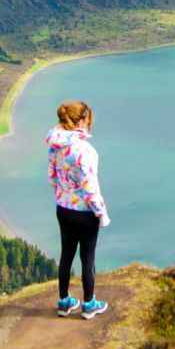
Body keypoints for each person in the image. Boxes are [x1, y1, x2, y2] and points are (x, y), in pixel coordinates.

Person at [46, 99, 109, 319]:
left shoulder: (55, 145)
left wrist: (62, 196)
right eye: (88, 119)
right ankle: (89, 304)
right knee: (88, 258)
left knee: (66, 254)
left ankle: (64, 302)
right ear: (81, 120)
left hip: (63, 208)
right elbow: (90, 187)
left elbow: (52, 176)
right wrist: (101, 213)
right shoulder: (85, 151)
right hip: (85, 212)